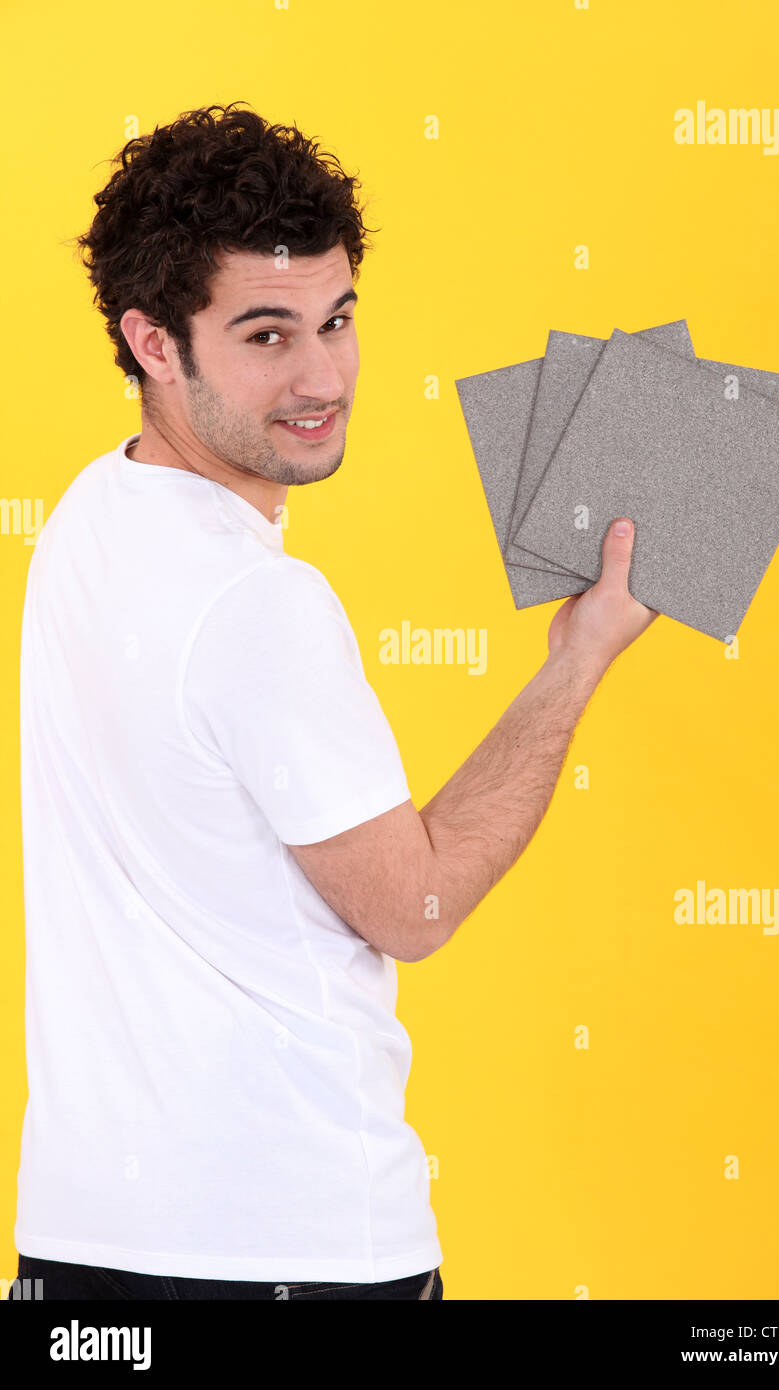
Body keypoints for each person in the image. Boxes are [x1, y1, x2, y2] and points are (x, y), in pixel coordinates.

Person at [9, 103, 656, 1302]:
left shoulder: (87, 519)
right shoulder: (260, 603)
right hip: (287, 1246)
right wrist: (575, 660)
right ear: (154, 342)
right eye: (265, 334)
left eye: (337, 320)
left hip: (84, 1246)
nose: (322, 377)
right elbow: (410, 904)